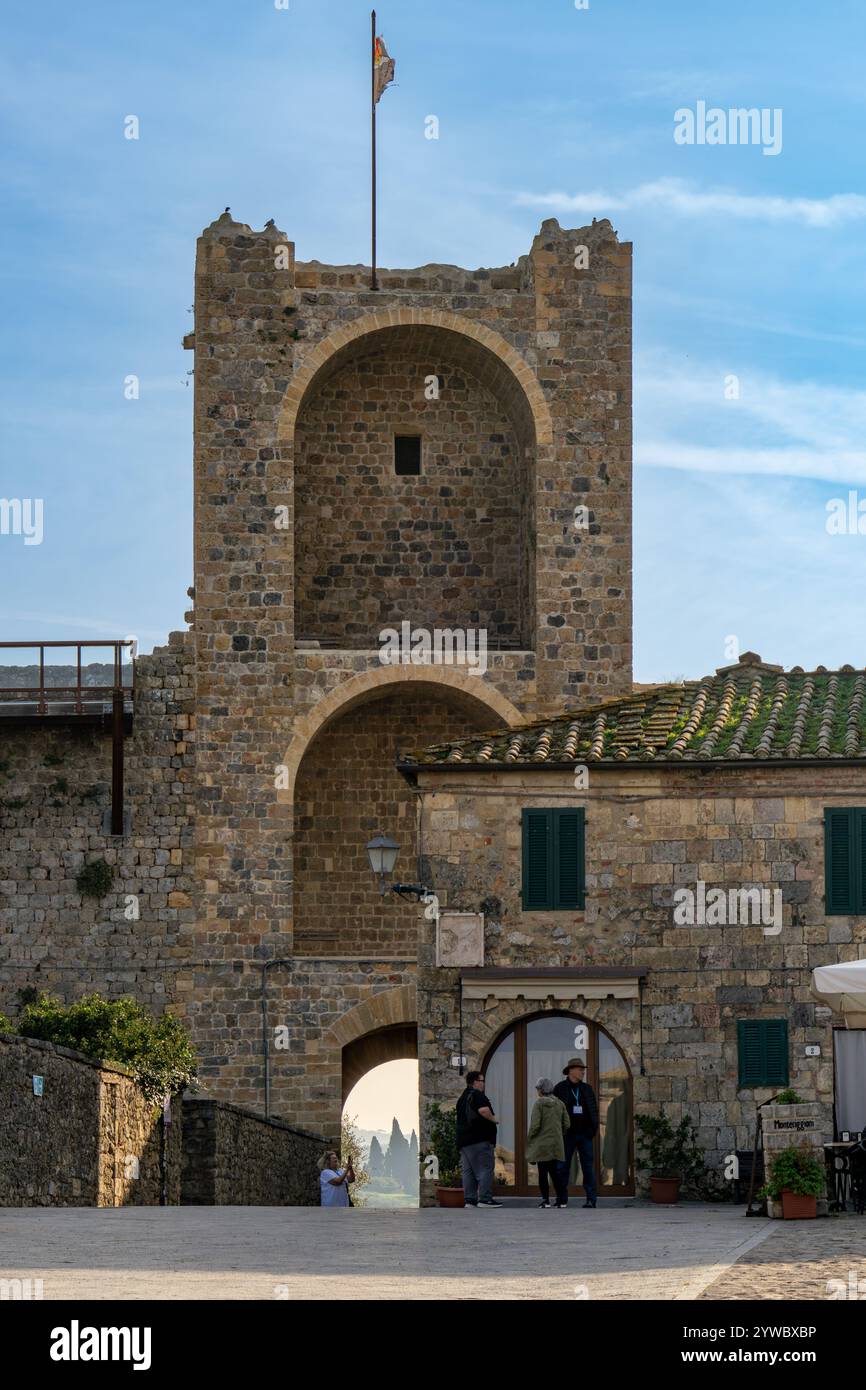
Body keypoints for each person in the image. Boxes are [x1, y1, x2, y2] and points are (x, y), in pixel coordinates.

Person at [553, 1057, 599, 1208]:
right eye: (580, 1069)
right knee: (562, 1167)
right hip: (567, 1135)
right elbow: (555, 1112)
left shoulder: (587, 1088)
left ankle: (591, 1199)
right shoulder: (560, 1088)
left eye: (583, 1070)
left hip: (585, 1134)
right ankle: (561, 1199)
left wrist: (593, 1129)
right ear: (571, 1070)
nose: (583, 1072)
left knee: (587, 1167)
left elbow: (594, 1110)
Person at [456, 1070, 503, 1207]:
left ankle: (470, 1200)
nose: (483, 1084)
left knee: (468, 1171)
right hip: (479, 1140)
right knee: (485, 1168)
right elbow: (483, 1110)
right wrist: (494, 1120)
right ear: (475, 1082)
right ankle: (485, 1199)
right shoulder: (477, 1095)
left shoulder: (462, 1098)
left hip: (464, 1142)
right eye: (482, 1081)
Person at [526, 1077, 570, 1208]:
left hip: (542, 1144)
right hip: (556, 1143)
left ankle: (545, 1201)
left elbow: (535, 1125)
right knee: (555, 1173)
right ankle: (561, 1200)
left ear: (540, 1090)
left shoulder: (539, 1104)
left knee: (543, 1173)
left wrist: (530, 1139)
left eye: (537, 1089)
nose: (537, 1091)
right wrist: (558, 1134)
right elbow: (567, 1124)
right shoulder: (560, 1103)